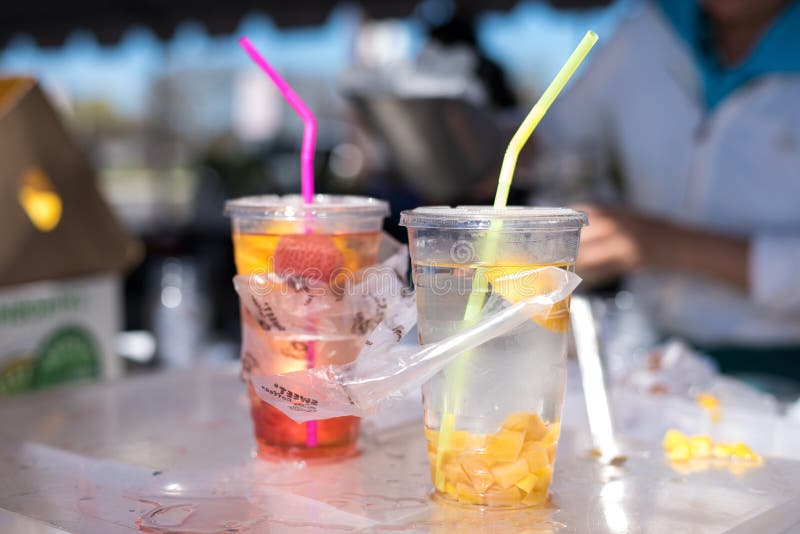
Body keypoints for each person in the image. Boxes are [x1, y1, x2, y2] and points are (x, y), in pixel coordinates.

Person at [537, 0, 800, 379]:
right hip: (648, 354)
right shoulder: (645, 33)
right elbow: (550, 140)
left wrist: (662, 244)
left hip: (782, 369)